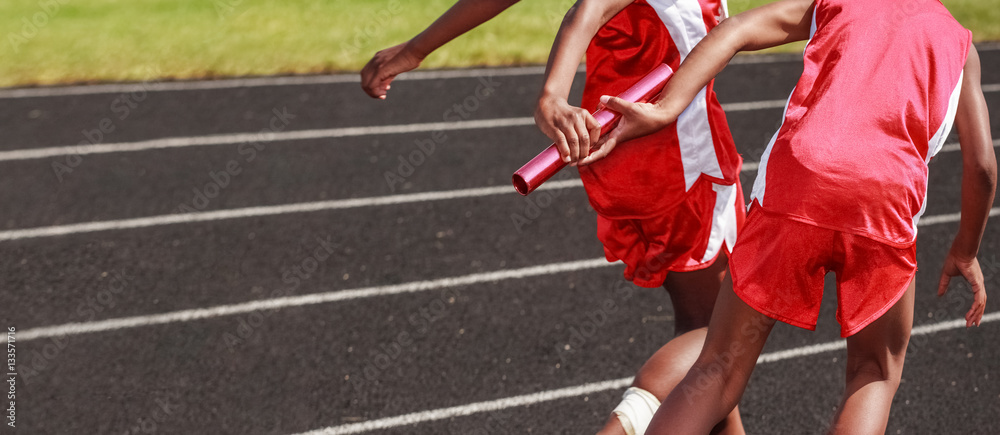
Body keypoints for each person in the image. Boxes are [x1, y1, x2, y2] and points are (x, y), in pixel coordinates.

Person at [593, 0, 996, 433]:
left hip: (797, 184)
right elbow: (982, 167)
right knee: (873, 373)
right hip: (883, 202)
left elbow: (734, 31)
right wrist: (965, 250)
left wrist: (666, 107)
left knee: (717, 371)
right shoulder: (960, 44)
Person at [363, 1, 747, 434]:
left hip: (620, 157)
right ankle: (622, 426)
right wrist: (551, 95)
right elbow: (592, 8)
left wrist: (416, 49)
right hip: (677, 156)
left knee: (700, 338)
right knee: (720, 341)